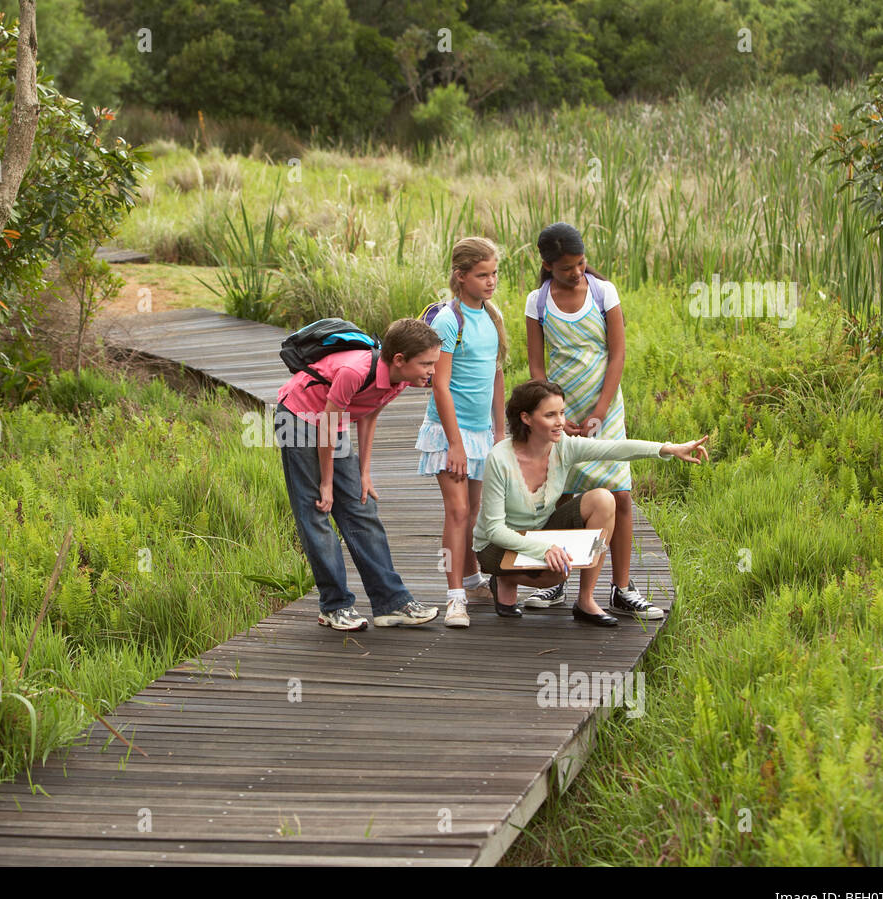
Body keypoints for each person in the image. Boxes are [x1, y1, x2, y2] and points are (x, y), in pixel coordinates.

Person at [473, 379, 708, 626]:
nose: (560, 422)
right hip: (495, 547)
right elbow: (494, 530)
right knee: (555, 572)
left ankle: (585, 600)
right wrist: (544, 549)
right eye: (550, 415)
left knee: (603, 499)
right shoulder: (500, 458)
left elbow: (615, 449)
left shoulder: (563, 446)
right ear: (526, 418)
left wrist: (668, 449)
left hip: (539, 533)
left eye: (562, 413)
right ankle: (505, 579)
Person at [523, 222, 660, 620]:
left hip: (605, 407)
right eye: (567, 268)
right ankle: (559, 582)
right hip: (559, 413)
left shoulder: (603, 292)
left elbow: (616, 356)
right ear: (547, 265)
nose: (577, 272)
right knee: (563, 495)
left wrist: (600, 412)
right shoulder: (538, 301)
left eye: (581, 264)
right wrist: (552, 417)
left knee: (617, 494)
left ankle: (621, 587)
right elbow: (537, 365)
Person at [275, 317, 442, 632]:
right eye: (426, 363)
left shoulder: (402, 379)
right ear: (399, 360)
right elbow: (326, 426)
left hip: (329, 421)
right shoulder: (354, 371)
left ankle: (391, 603)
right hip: (298, 417)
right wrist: (327, 483)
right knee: (317, 511)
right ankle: (334, 606)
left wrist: (364, 473)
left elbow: (368, 414)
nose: (432, 371)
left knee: (362, 507)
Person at [414, 237, 509, 629]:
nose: (490, 282)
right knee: (456, 513)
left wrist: (500, 433)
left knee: (472, 515)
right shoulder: (449, 320)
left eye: (494, 274)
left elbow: (497, 374)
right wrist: (454, 442)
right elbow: (440, 383)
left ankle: (472, 581)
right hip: (448, 432)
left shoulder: (492, 316)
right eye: (482, 275)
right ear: (461, 276)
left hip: (481, 433)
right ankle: (455, 598)